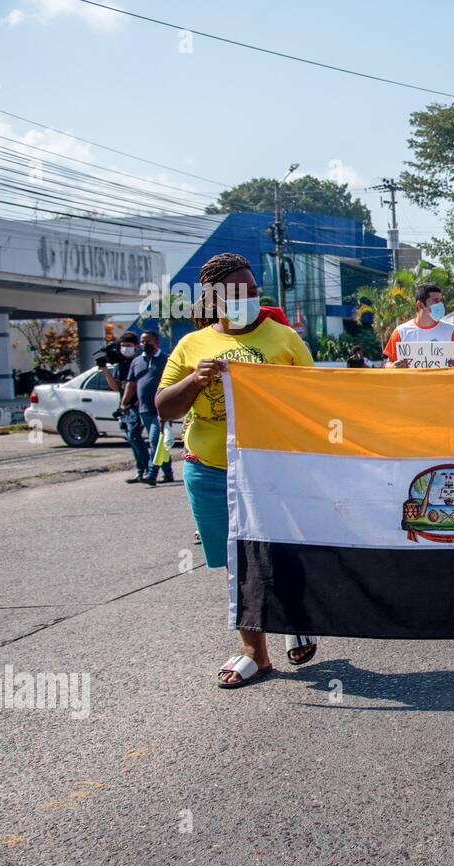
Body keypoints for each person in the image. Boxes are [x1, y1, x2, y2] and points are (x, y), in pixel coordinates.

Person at [155, 253, 317, 688]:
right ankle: (255, 654)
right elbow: (164, 406)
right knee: (235, 564)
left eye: (252, 290)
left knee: (278, 551)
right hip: (209, 472)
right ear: (215, 298)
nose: (248, 297)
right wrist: (195, 381)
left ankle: (293, 619)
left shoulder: (283, 338)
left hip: (271, 469)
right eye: (237, 292)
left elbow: (317, 400)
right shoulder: (192, 346)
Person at [121, 330, 174, 486]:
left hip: (161, 410)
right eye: (143, 342)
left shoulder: (166, 360)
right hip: (143, 410)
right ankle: (168, 473)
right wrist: (124, 403)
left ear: (156, 342)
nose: (144, 344)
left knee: (154, 439)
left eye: (148, 341)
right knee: (157, 442)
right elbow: (131, 384)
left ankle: (151, 474)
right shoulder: (137, 362)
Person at [383, 283, 454, 368]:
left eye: (440, 300)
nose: (441, 304)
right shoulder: (400, 332)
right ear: (420, 305)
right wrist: (393, 366)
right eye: (436, 300)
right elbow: (388, 363)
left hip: (444, 382)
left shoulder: (451, 331)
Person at [101, 332, 146, 483]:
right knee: (131, 438)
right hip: (124, 407)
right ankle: (140, 471)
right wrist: (104, 370)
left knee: (134, 435)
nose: (125, 348)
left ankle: (148, 468)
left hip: (136, 406)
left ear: (136, 347)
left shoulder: (140, 361)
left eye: (128, 346)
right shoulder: (121, 364)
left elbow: (141, 385)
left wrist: (138, 401)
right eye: (123, 346)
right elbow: (115, 386)